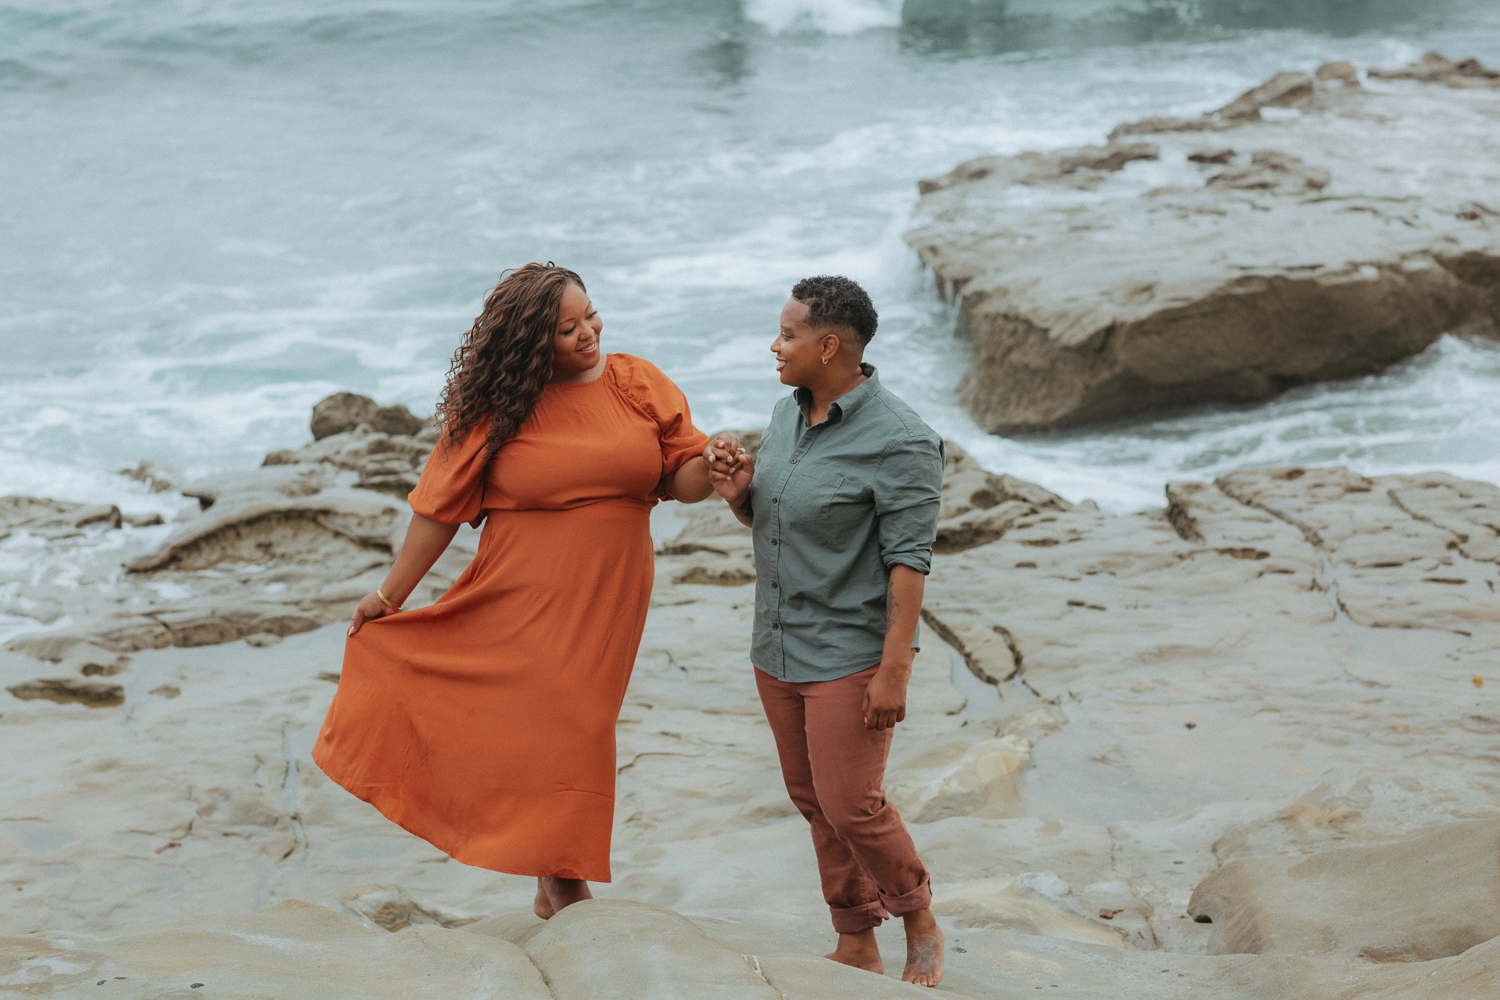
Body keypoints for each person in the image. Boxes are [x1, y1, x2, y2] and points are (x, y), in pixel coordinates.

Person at [312, 262, 716, 920]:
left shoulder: (635, 382)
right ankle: (560, 878)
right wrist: (388, 597)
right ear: (531, 342)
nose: (589, 333)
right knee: (553, 724)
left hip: (607, 591)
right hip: (518, 591)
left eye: (591, 315)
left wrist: (719, 468)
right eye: (567, 328)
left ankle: (551, 869)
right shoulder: (497, 409)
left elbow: (681, 475)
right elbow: (437, 511)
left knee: (580, 722)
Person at [707, 275, 947, 987]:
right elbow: (782, 524)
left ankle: (919, 917)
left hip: (849, 652)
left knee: (852, 803)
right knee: (814, 801)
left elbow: (908, 564)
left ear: (829, 345)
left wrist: (894, 671)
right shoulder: (787, 416)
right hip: (777, 647)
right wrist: (742, 495)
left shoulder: (903, 440)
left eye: (787, 335)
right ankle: (855, 939)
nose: (774, 346)